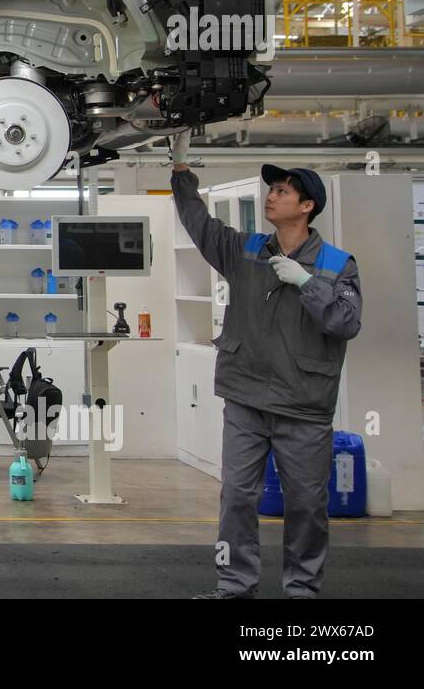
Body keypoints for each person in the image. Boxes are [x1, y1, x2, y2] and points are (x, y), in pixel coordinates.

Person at [168, 131, 362, 599]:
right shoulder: (249, 250)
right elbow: (201, 226)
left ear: (307, 206)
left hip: (303, 404)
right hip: (247, 398)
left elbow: (346, 322)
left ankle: (302, 590)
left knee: (308, 505)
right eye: (271, 190)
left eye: (281, 191)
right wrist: (180, 172)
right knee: (236, 497)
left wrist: (307, 283)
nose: (270, 197)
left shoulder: (337, 264)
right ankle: (234, 585)